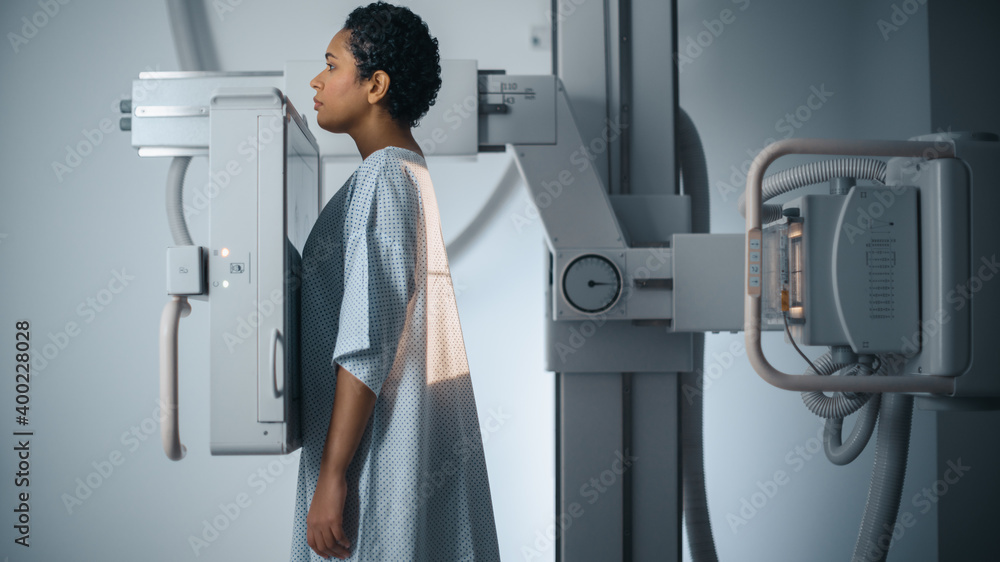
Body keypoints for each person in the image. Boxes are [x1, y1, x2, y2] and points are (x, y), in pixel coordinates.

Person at [289, 3, 502, 561]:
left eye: (331, 66)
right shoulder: (408, 170)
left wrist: (333, 476)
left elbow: (365, 344)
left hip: (371, 460)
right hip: (390, 449)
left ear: (375, 85)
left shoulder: (384, 175)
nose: (316, 81)